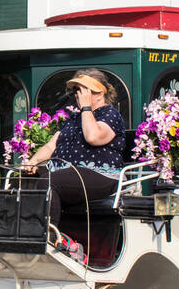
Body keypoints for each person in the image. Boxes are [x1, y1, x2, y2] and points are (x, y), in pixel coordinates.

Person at [23, 68, 128, 233]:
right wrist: (33, 162)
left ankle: (48, 238)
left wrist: (86, 108)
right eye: (75, 91)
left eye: (81, 90)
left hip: (100, 174)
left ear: (99, 93)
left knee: (49, 182)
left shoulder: (110, 114)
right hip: (68, 172)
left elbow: (93, 136)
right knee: (19, 181)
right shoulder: (74, 118)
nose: (77, 95)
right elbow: (51, 145)